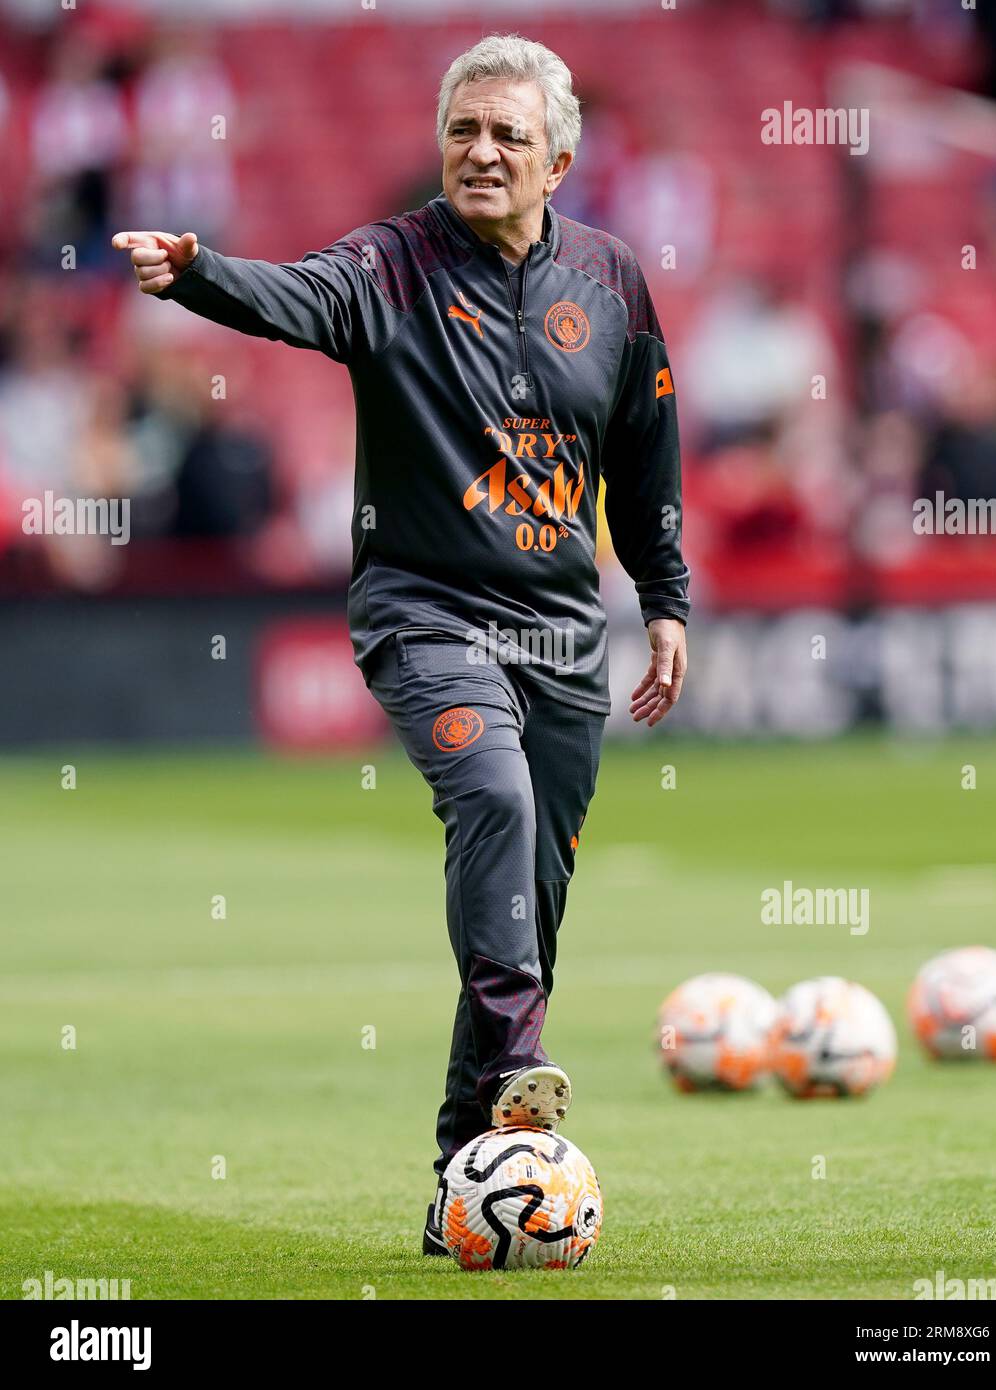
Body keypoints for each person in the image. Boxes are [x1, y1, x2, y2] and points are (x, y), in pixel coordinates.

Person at [112, 33, 690, 1255]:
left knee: (528, 903)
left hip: (563, 636)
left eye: (507, 137)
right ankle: (521, 1064)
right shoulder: (393, 261)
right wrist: (199, 271)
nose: (480, 153)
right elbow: (301, 296)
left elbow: (644, 457)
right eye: (463, 131)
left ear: (560, 160)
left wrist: (667, 597)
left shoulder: (615, 281)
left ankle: (460, 1179)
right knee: (489, 794)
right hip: (425, 615)